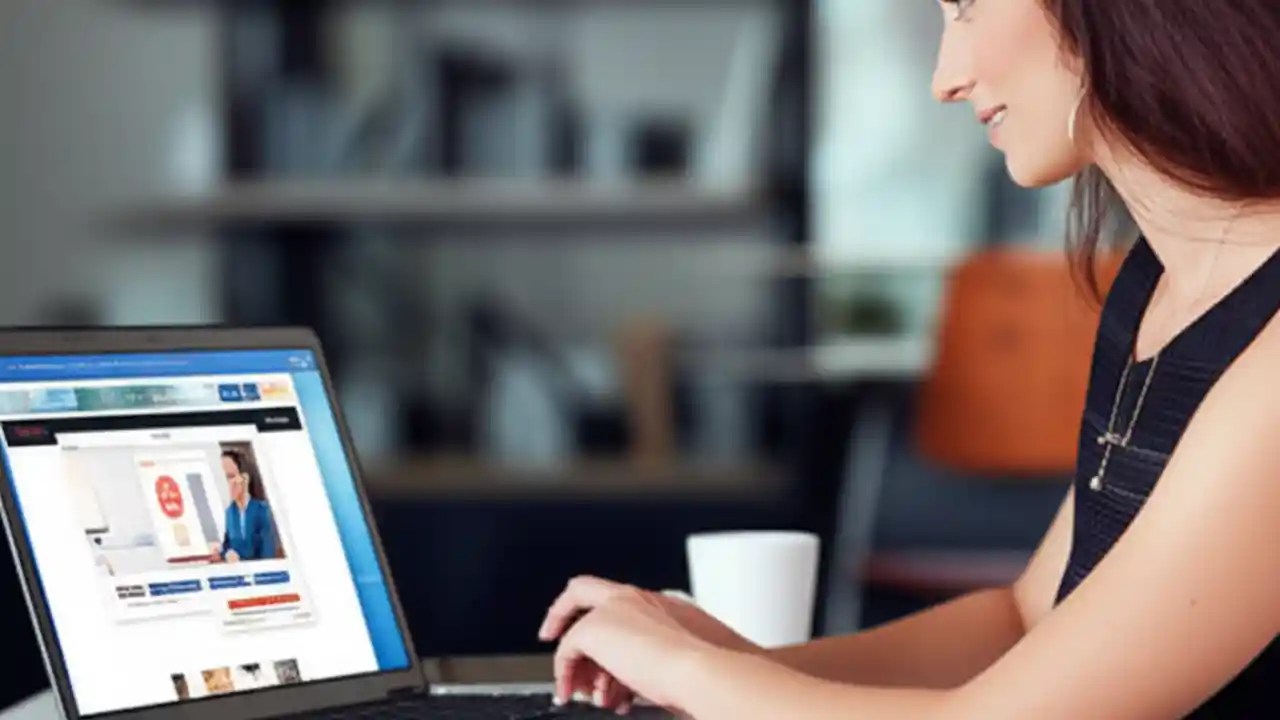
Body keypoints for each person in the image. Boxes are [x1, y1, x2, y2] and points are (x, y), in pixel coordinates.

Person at [538, 1, 1280, 717]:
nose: (945, 77)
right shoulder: (1157, 284)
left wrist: (687, 670)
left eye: (964, 8)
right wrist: (735, 665)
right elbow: (1024, 621)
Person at [211, 450, 276, 563]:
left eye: (230, 477)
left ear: (245, 479)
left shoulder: (263, 511)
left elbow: (268, 553)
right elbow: (226, 546)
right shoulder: (228, 512)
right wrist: (224, 553)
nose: (226, 484)